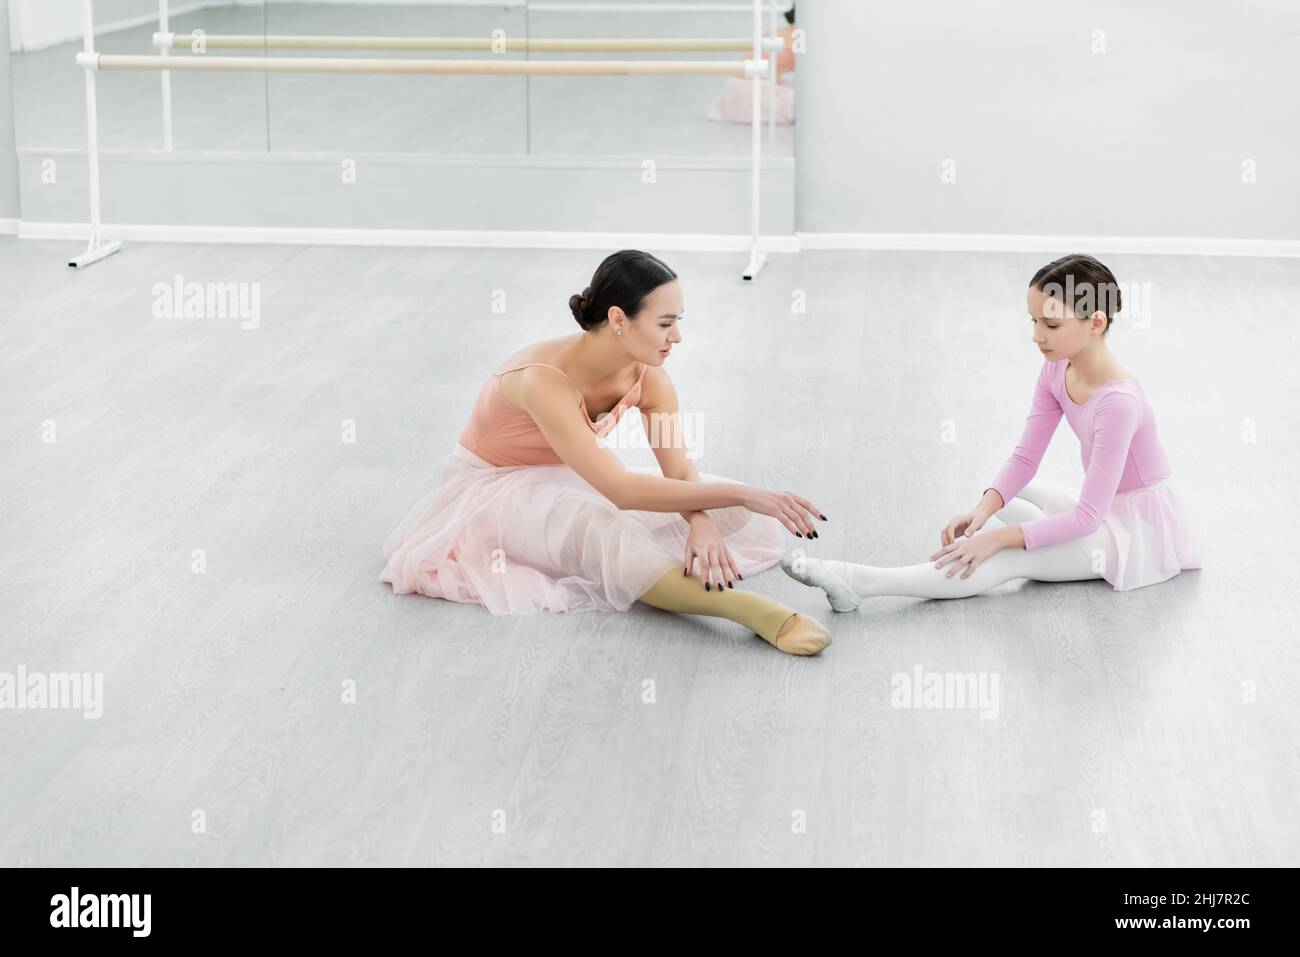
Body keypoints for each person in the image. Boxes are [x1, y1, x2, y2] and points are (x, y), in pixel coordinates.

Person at [382, 250, 832, 654]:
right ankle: (745, 609)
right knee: (607, 528)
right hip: (491, 490)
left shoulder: (650, 377)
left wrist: (701, 522)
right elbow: (621, 491)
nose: (677, 337)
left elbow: (679, 470)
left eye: (678, 322)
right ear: (619, 319)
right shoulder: (540, 380)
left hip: (565, 476)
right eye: (665, 323)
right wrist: (746, 492)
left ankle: (656, 566)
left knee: (732, 513)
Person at [783, 254, 1201, 608]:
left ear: (1095, 322)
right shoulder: (1056, 370)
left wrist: (998, 540)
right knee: (1010, 492)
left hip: (1134, 533)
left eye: (1051, 325)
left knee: (1008, 558)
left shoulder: (1119, 403)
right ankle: (1017, 538)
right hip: (1103, 508)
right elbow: (1025, 458)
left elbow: (1087, 517)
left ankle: (855, 581)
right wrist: (981, 513)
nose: (1037, 336)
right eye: (1033, 321)